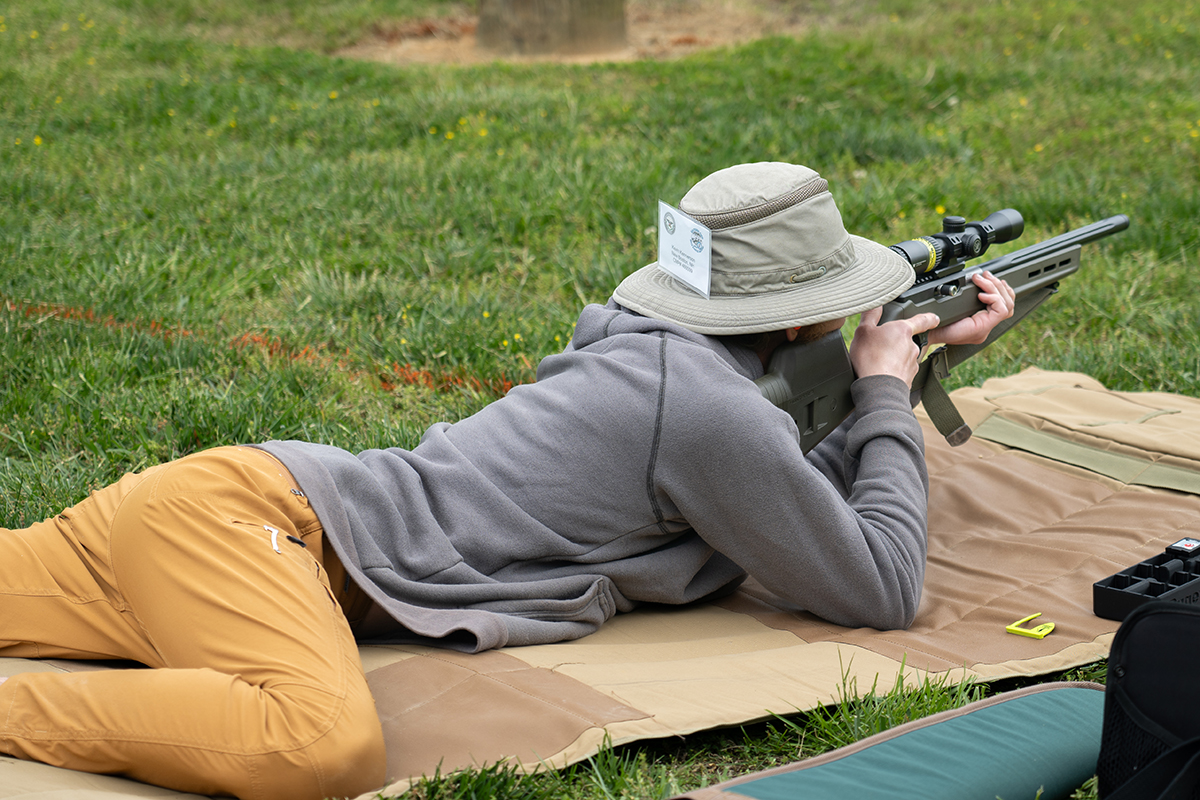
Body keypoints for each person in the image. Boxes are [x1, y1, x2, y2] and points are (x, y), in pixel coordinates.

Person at [0, 162, 1015, 800]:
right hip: (259, 534)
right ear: (799, 319)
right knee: (317, 745)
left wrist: (894, 379)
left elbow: (786, 496)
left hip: (225, 505)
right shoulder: (710, 410)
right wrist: (886, 394)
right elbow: (879, 583)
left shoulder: (656, 354)